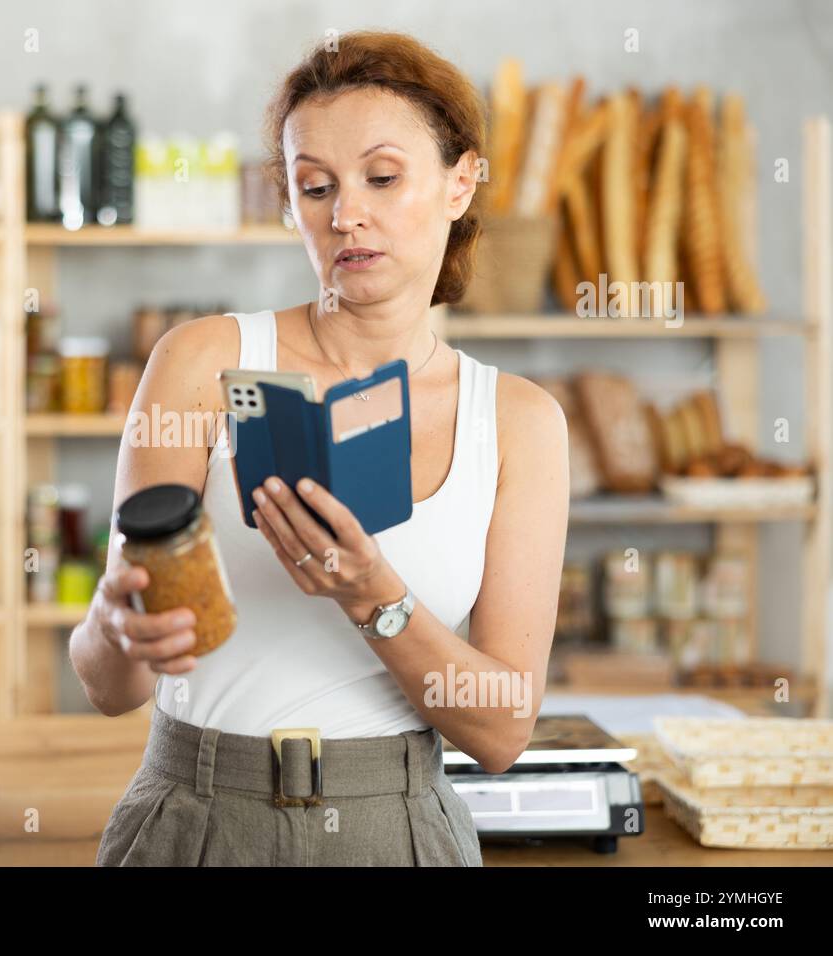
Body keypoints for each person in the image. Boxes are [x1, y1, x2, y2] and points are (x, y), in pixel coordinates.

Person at [70, 30, 569, 866]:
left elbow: (501, 730)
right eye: (315, 187)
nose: (346, 215)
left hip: (397, 829)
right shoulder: (203, 362)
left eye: (382, 177)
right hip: (194, 819)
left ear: (460, 180)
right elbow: (106, 687)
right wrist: (118, 630)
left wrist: (376, 597)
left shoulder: (518, 421)